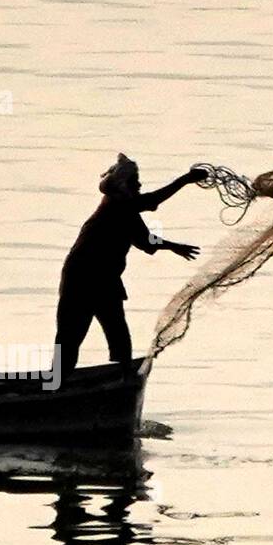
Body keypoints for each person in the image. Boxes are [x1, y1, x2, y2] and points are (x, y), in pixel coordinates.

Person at [54, 154, 205, 379]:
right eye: (135, 182)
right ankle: (57, 383)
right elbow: (152, 201)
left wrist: (174, 246)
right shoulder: (117, 205)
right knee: (70, 338)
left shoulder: (126, 211)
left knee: (118, 336)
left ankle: (122, 378)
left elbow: (145, 241)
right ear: (123, 186)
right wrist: (185, 179)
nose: (139, 185)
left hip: (104, 280)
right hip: (83, 278)